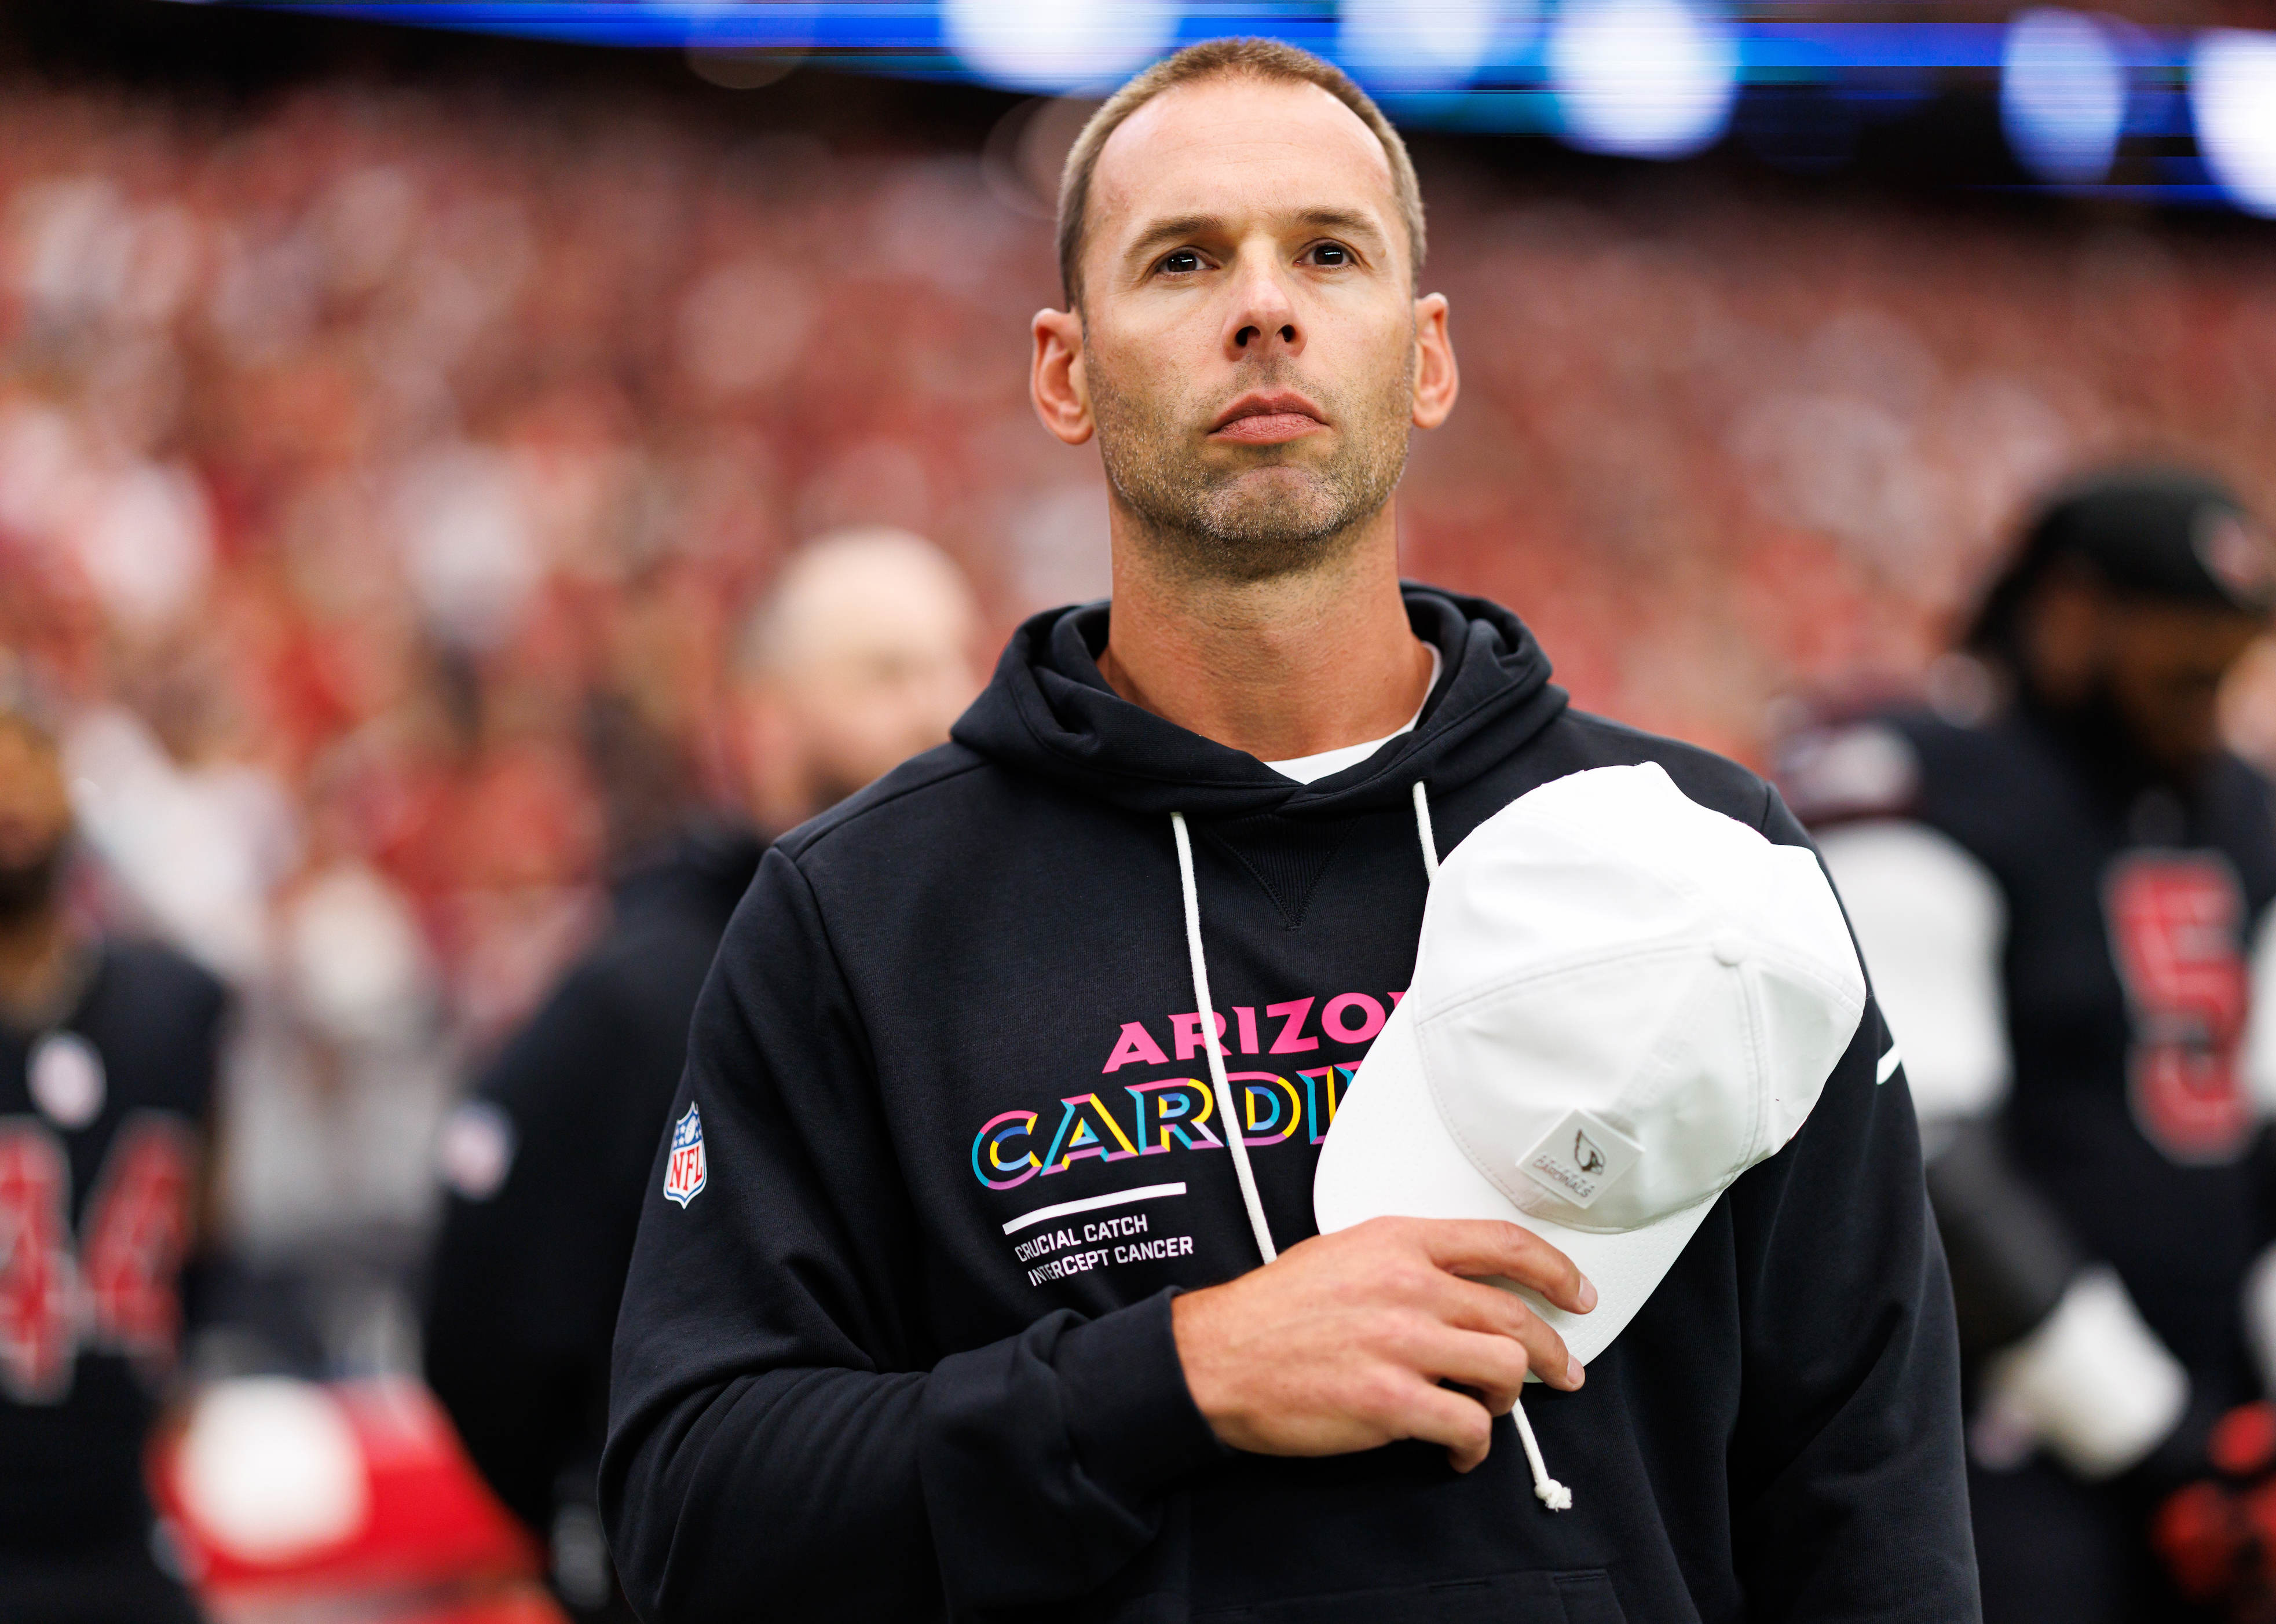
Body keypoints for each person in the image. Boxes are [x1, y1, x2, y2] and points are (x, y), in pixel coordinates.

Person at [603, 39, 1975, 1624]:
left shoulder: (1707, 864)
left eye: (1327, 252)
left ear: (1424, 355)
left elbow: (1869, 1508)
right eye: (1182, 259)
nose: (1264, 306)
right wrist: (1172, 1373)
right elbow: (690, 1515)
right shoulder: (860, 910)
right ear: (1063, 370)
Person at [1780, 468, 2276, 1623]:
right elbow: (1927, 1156)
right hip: (2002, 1434)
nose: (2213, 714)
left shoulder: (2246, 815)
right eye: (2186, 675)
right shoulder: (1920, 782)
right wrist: (2149, 1431)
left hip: (2223, 1429)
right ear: (2070, 615)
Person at [420, 529, 979, 1622]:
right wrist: (604, 1527)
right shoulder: (638, 995)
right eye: (885, 672)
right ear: (763, 716)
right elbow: (480, 1330)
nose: (941, 705)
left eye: (957, 658)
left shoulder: (994, 951)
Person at [0, 672, 226, 1624]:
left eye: (27, 758)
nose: (8, 791)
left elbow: (211, 1224)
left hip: (117, 1526)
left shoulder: (176, 1005)